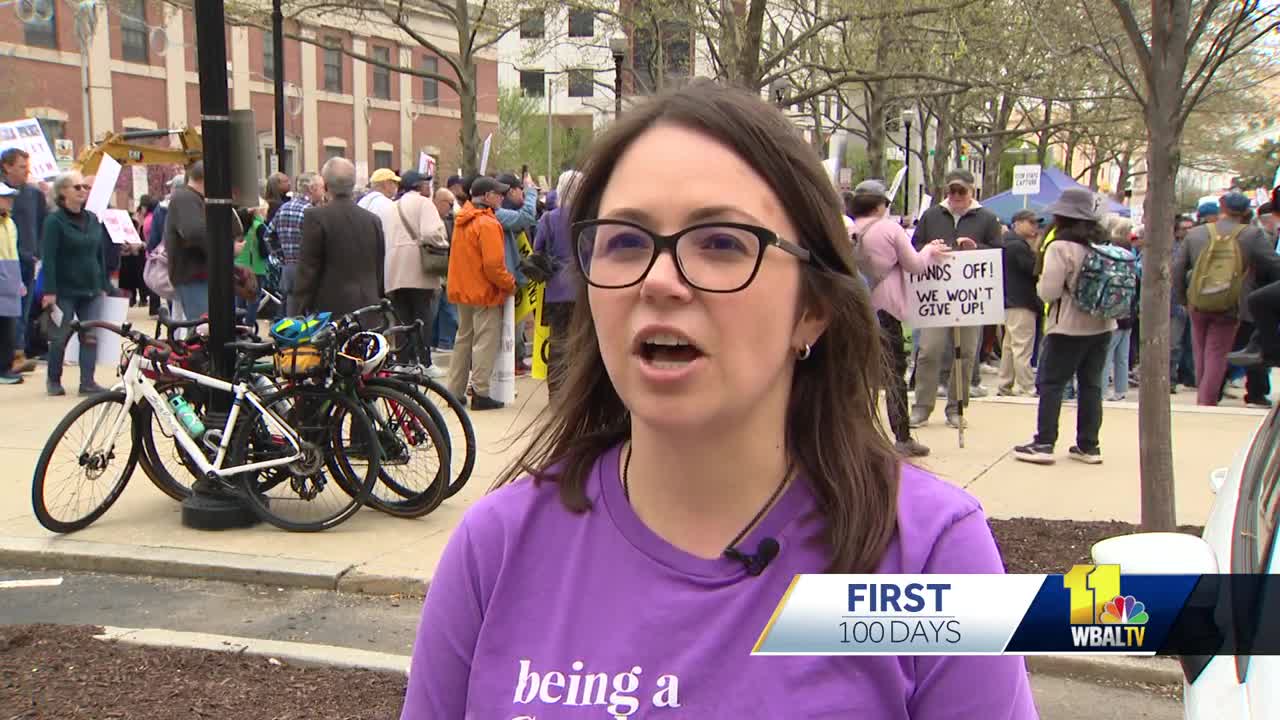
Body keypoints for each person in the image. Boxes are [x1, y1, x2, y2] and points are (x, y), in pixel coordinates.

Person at [401, 81, 1035, 718]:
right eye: (624, 241)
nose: (660, 280)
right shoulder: (499, 547)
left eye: (723, 243)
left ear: (812, 309)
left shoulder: (927, 558)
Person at [1013, 188, 1114, 465]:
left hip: (1068, 326)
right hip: (1103, 325)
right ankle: (1088, 445)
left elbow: (1049, 292)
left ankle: (1044, 442)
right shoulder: (1103, 244)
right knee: (1091, 386)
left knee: (1051, 383)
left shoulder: (1060, 247)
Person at [847, 179, 947, 457]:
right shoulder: (890, 229)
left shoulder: (848, 228)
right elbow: (914, 264)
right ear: (881, 204)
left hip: (856, 305)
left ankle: (855, 435)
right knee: (894, 374)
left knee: (856, 374)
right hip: (886, 308)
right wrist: (929, 251)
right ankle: (902, 436)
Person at [908, 168, 1002, 429]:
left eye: (962, 191)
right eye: (952, 191)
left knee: (966, 353)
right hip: (936, 296)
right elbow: (914, 247)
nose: (957, 195)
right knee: (928, 351)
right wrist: (929, 249)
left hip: (969, 298)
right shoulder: (931, 215)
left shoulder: (987, 218)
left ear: (972, 191)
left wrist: (976, 248)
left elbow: (998, 253)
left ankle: (956, 408)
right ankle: (921, 407)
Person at [1172, 191, 1280, 406]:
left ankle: (1204, 395)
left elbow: (1178, 268)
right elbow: (1274, 265)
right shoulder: (1251, 235)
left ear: (1221, 208)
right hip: (1233, 303)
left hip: (1197, 301)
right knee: (1217, 353)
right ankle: (1207, 399)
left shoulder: (1196, 233)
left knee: (1200, 351)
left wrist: (1183, 298)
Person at [444, 176, 516, 411]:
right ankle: (481, 392)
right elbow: (494, 266)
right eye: (498, 193)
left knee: (463, 339)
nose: (501, 197)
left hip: (462, 290)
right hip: (484, 292)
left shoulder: (462, 219)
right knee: (484, 342)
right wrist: (509, 284)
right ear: (486, 196)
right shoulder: (487, 223)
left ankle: (455, 391)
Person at [40, 171, 112, 396]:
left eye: (85, 187)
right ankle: (54, 380)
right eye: (77, 187)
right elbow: (48, 257)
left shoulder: (92, 219)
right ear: (62, 192)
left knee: (90, 335)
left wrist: (104, 284)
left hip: (91, 288)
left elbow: (99, 254)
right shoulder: (54, 221)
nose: (83, 191)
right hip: (64, 290)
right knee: (59, 337)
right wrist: (49, 291)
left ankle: (87, 381)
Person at [292, 158, 385, 316]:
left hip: (330, 312)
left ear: (326, 185)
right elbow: (379, 267)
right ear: (353, 185)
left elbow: (308, 269)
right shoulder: (372, 220)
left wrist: (298, 310)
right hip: (368, 308)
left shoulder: (316, 217)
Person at [381, 167, 447, 376]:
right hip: (417, 266)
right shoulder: (424, 203)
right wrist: (442, 242)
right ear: (418, 186)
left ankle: (403, 361)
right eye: (425, 183)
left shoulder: (391, 207)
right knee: (422, 315)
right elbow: (431, 233)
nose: (428, 186)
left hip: (393, 267)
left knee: (402, 317)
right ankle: (425, 362)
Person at [164, 161, 243, 320]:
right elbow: (194, 232)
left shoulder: (198, 199)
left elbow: (232, 229)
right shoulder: (185, 198)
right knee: (204, 330)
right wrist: (228, 249)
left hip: (203, 275)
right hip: (194, 276)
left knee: (211, 328)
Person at [532, 169, 583, 398]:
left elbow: (537, 250)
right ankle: (579, 392)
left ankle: (557, 393)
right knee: (582, 343)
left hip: (555, 290)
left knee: (557, 343)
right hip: (583, 287)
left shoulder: (548, 219)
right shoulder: (588, 216)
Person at [1, 148, 46, 374]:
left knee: (24, 310)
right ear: (7, 167)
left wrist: (38, 251)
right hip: (7, 262)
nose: (27, 172)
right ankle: (11, 356)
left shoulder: (33, 194)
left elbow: (42, 223)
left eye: (27, 167)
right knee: (8, 312)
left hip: (29, 262)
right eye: (21, 167)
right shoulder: (3, 194)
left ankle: (19, 352)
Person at [265, 172, 323, 317]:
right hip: (307, 270)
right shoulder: (311, 212)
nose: (324, 192)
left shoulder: (284, 208)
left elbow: (268, 235)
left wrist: (281, 256)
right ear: (313, 189)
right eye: (322, 187)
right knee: (309, 317)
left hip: (288, 269)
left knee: (291, 314)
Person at [998, 209, 1042, 397]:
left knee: (1010, 346)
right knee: (1022, 347)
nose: (1035, 227)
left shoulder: (1007, 244)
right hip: (1021, 301)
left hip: (1009, 301)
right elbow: (1035, 270)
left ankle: (1005, 383)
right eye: (1031, 222)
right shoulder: (1018, 247)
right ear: (1017, 223)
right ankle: (1026, 386)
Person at [1102, 216, 1138, 402]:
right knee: (1122, 355)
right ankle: (1121, 389)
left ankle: (1102, 390)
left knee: (1106, 354)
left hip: (1112, 310)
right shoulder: (1132, 254)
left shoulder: (1106, 252)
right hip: (1128, 309)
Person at [0, 182, 25, 384]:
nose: (9, 201)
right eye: (5, 197)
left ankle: (6, 367)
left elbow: (13, 252)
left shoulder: (10, 223)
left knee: (9, 325)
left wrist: (19, 280)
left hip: (10, 274)